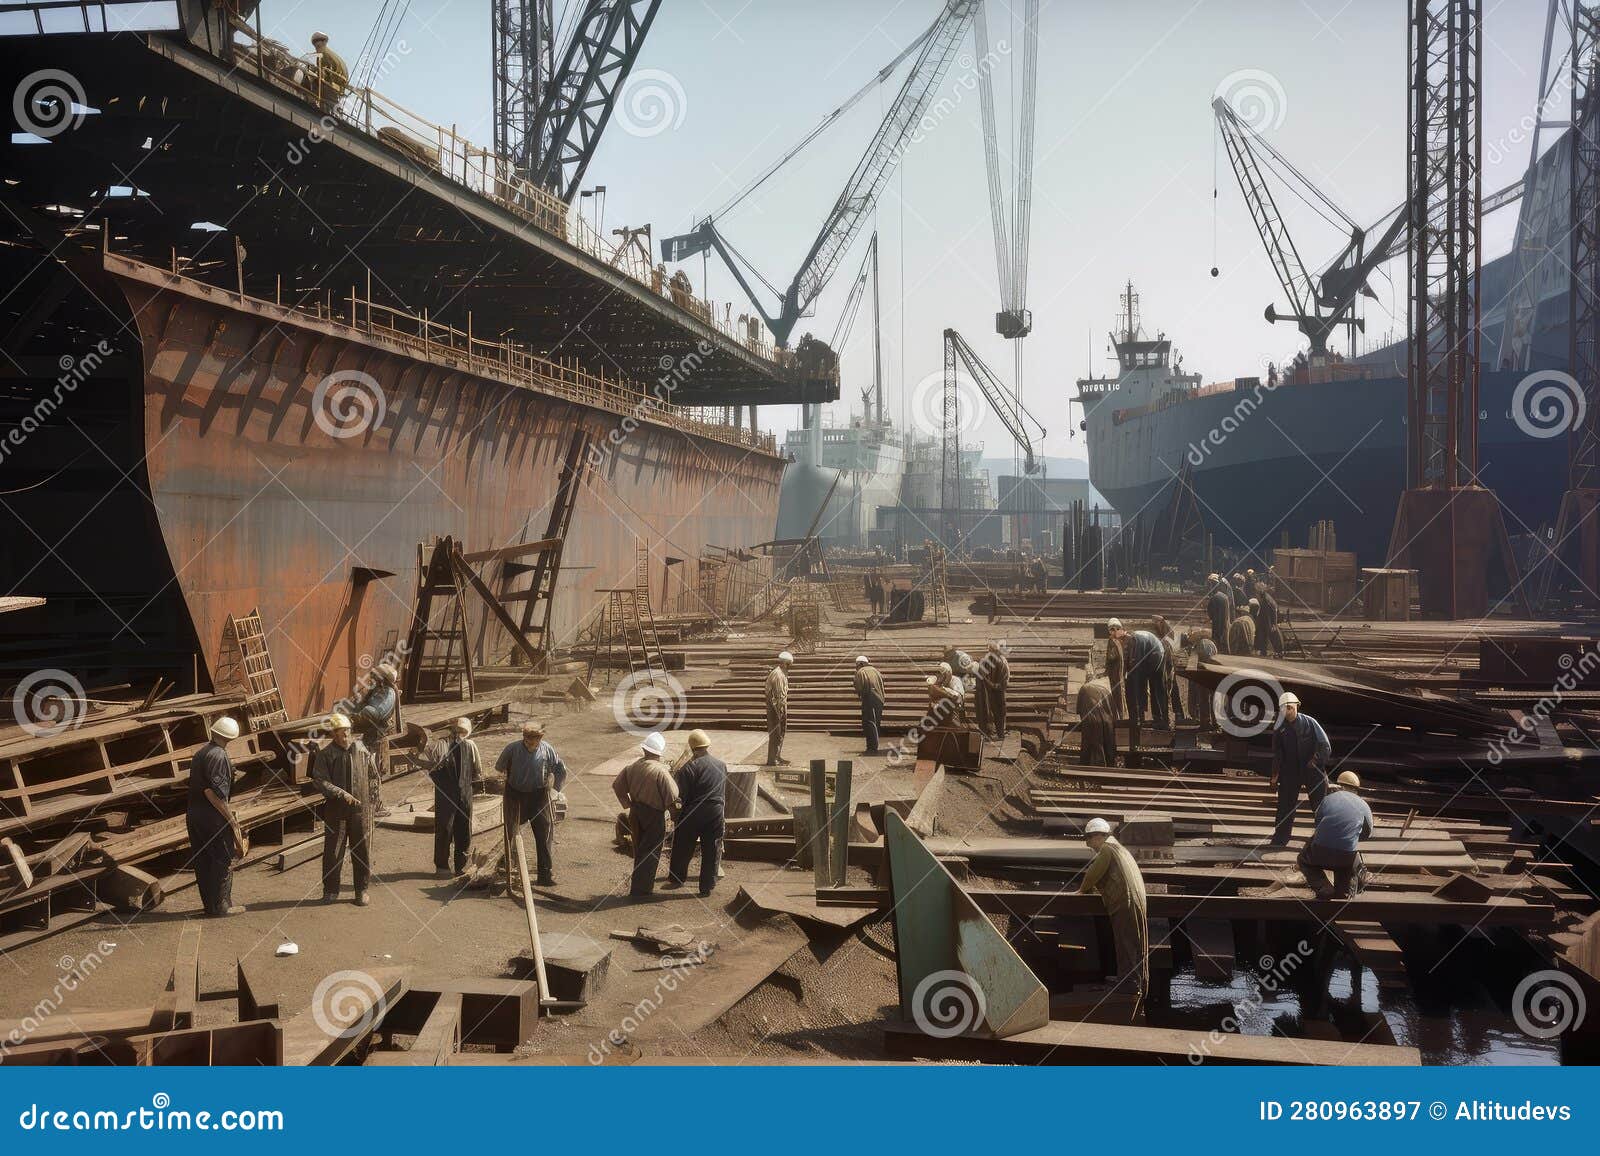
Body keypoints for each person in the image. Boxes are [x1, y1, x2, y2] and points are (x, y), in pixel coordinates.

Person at [310, 712, 380, 905]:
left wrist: (374, 798)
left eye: (347, 730)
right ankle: (331, 890)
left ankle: (361, 890)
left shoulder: (361, 749)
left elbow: (374, 775)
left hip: (360, 811)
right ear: (333, 734)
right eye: (341, 732)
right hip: (336, 811)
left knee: (362, 851)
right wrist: (341, 793)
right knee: (333, 852)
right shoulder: (326, 754)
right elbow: (320, 780)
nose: (345, 735)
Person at [1079, 817, 1149, 1009]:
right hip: (1133, 900)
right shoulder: (1119, 848)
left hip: (1123, 902)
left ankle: (1129, 984)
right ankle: (1128, 978)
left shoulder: (1107, 849)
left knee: (1125, 942)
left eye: (1089, 840)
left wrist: (1082, 890)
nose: (1089, 845)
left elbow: (1093, 873)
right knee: (1131, 942)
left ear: (1097, 836)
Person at [185, 716, 245, 917]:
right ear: (232, 737)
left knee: (203, 860)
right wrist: (231, 820)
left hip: (194, 815)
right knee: (222, 859)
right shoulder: (218, 756)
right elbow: (212, 793)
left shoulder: (202, 752)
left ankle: (210, 907)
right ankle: (222, 907)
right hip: (213, 817)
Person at [497, 720, 566, 890]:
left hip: (538, 795)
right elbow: (499, 768)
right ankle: (509, 869)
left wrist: (555, 790)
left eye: (535, 739)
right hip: (515, 795)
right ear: (524, 737)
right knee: (511, 833)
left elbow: (560, 769)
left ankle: (545, 874)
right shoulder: (512, 749)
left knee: (544, 834)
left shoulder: (547, 749)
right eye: (528, 738)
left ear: (540, 738)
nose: (531, 742)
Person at [613, 732, 679, 898]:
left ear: (644, 749)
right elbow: (672, 796)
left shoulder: (632, 767)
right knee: (650, 852)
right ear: (659, 753)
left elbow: (617, 787)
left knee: (639, 849)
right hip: (654, 815)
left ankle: (638, 886)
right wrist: (674, 815)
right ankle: (642, 890)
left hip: (635, 813)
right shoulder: (661, 771)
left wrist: (628, 806)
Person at [667, 730, 726, 897]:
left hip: (693, 811)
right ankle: (707, 885)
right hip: (716, 811)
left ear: (692, 749)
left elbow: (680, 797)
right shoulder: (721, 765)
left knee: (683, 844)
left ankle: (677, 877)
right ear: (707, 746)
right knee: (712, 848)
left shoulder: (688, 769)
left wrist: (676, 816)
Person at [1297, 770, 1373, 899]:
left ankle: (1323, 887)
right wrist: (1350, 835)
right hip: (1345, 856)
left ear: (1339, 786)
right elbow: (1367, 834)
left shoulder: (1327, 799)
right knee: (1349, 859)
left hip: (1320, 853)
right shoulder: (1364, 805)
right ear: (1356, 789)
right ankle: (1344, 890)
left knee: (1303, 860)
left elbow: (1318, 822)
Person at [1269, 691, 1331, 846]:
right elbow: (1277, 753)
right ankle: (1280, 838)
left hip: (1313, 769)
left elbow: (1325, 746)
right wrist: (1275, 776)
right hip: (1290, 770)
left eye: (1290, 707)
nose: (1287, 711)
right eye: (1283, 708)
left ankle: (1324, 840)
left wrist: (1315, 760)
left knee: (1320, 806)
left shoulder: (1310, 723)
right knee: (1285, 805)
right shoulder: (1280, 728)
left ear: (1297, 706)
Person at [429, 717, 481, 878]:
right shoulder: (442, 745)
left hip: (465, 793)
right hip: (445, 793)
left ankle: (461, 866)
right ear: (453, 730)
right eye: (458, 731)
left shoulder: (471, 746)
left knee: (464, 829)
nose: (460, 734)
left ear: (469, 732)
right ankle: (442, 866)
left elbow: (477, 771)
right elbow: (431, 768)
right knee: (445, 828)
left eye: (464, 731)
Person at [1114, 622, 1168, 766]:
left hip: (1155, 654)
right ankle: (1157, 719)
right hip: (1156, 650)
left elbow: (1135, 668)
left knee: (1141, 683)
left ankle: (1142, 718)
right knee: (1153, 686)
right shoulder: (1132, 639)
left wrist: (1129, 681)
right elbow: (1128, 663)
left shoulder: (1133, 640)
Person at [1075, 677, 1118, 766]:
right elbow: (1113, 710)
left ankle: (1090, 767)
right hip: (1107, 721)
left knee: (1090, 745)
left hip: (1091, 720)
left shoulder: (1084, 688)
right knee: (1108, 745)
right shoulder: (1106, 690)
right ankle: (1110, 767)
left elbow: (1078, 710)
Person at [1152, 616, 1186, 725]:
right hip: (1164, 668)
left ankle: (1177, 716)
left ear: (1162, 623)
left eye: (1157, 622)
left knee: (1172, 692)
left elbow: (1173, 653)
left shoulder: (1168, 637)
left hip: (1169, 668)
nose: (1156, 624)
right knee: (1166, 693)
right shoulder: (1159, 636)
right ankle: (1167, 717)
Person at [975, 641, 1010, 740]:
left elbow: (1005, 679)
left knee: (1000, 711)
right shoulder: (986, 661)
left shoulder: (1002, 662)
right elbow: (981, 675)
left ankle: (1000, 733)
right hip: (987, 690)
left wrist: (993, 685)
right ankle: (989, 732)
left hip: (998, 690)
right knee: (986, 711)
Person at [1186, 629, 1219, 727]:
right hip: (1213, 672)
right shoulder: (1213, 645)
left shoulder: (1197, 646)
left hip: (1202, 673)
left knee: (1203, 698)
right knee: (1214, 697)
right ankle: (1215, 721)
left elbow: (1194, 661)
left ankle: (1205, 721)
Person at [308, 31, 348, 111]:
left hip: (333, 84)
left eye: (317, 42)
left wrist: (312, 71)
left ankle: (313, 103)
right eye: (315, 43)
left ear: (323, 42)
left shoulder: (322, 54)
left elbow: (322, 74)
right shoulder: (330, 53)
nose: (316, 45)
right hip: (340, 84)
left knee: (311, 82)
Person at [853, 655, 885, 754]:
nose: (856, 668)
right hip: (880, 699)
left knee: (869, 723)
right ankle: (874, 747)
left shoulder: (861, 672)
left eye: (857, 665)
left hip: (869, 698)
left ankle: (871, 748)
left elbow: (859, 687)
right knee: (876, 723)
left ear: (861, 664)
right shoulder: (876, 671)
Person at [766, 651, 792, 766]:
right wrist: (780, 712)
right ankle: (772, 760)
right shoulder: (778, 675)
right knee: (776, 734)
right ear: (785, 663)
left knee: (781, 733)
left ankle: (777, 756)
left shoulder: (782, 674)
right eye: (789, 664)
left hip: (780, 707)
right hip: (775, 709)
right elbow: (777, 697)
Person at [1103, 617, 1127, 721]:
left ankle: (1120, 717)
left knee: (1118, 693)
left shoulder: (1114, 641)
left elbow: (1112, 657)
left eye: (1116, 629)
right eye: (1112, 629)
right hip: (1116, 672)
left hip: (1117, 672)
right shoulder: (1118, 641)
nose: (1114, 631)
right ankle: (1118, 715)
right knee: (1116, 693)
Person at [1205, 574, 1233, 654]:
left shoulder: (1214, 598)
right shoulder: (1224, 596)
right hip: (1224, 619)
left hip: (1217, 620)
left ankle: (1217, 648)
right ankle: (1224, 648)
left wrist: (1210, 618)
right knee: (1224, 630)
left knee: (1216, 633)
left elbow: (1210, 611)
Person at [1254, 582, 1282, 657]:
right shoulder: (1264, 596)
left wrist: (1274, 623)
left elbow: (1274, 609)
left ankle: (1278, 652)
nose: (1256, 593)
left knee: (1271, 635)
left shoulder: (1266, 598)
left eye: (1257, 590)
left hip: (1268, 620)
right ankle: (1264, 652)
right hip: (1264, 620)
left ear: (1261, 590)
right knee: (1263, 636)